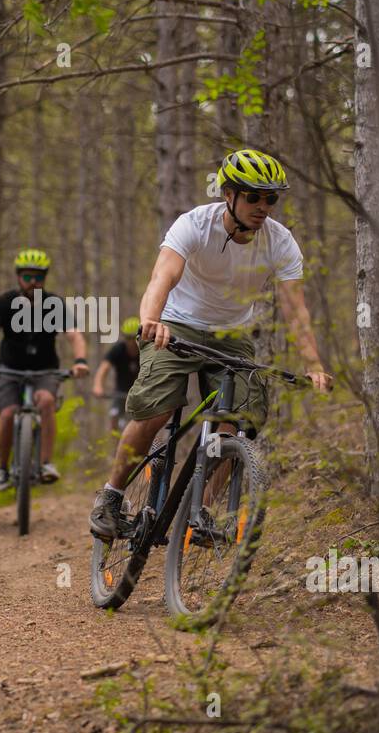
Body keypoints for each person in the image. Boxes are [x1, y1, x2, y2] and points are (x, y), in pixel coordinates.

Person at [89, 149, 333, 539]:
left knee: (240, 419)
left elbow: (296, 310)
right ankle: (111, 497)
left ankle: (200, 510)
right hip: (176, 324)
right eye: (253, 196)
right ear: (229, 195)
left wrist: (314, 364)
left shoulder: (281, 242)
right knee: (155, 408)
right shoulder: (194, 225)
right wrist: (151, 320)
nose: (263, 206)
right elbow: (162, 277)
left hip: (232, 336)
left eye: (271, 198)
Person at [0, 249, 89, 492]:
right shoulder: (5, 303)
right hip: (9, 369)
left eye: (38, 277)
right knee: (7, 413)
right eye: (27, 277)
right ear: (18, 279)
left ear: (44, 279)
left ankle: (46, 463)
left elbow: (74, 335)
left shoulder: (54, 304)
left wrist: (80, 360)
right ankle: (1, 468)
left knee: (45, 401)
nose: (32, 282)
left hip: (45, 369)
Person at [92, 316, 140, 430]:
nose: (132, 342)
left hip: (140, 392)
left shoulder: (147, 351)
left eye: (135, 338)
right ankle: (116, 444)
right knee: (114, 415)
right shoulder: (118, 349)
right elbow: (103, 368)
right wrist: (98, 386)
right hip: (120, 392)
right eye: (129, 338)